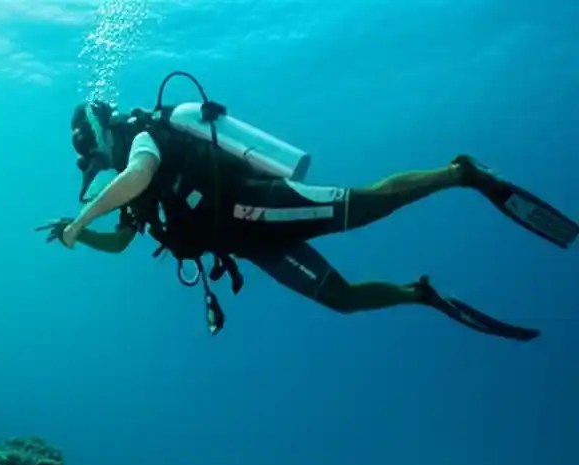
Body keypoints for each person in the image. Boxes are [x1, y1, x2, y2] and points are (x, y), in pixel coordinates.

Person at [39, 72, 578, 340]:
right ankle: (421, 294)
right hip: (252, 243)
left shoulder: (140, 135)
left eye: (95, 160)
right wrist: (80, 232)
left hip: (261, 208)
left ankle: (460, 173)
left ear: (97, 135)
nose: (100, 170)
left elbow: (138, 174)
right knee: (340, 299)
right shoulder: (133, 196)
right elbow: (118, 242)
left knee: (365, 206)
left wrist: (85, 216)